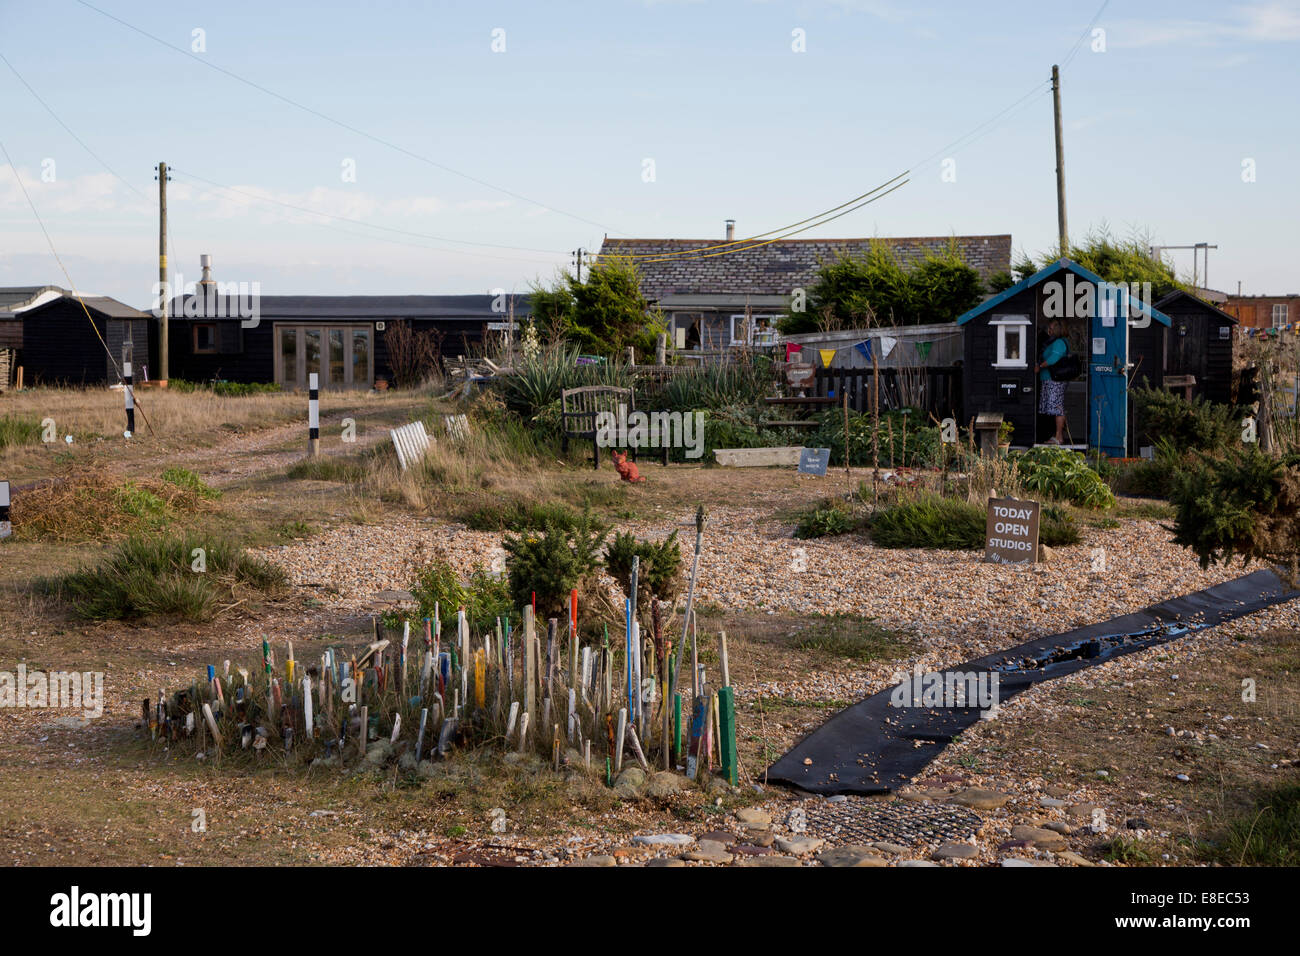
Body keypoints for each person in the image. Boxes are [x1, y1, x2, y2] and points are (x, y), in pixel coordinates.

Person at [1037, 320, 1069, 445]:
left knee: (1057, 408)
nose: (1048, 330)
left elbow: (1053, 359)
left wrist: (1039, 366)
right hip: (1049, 379)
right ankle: (1056, 435)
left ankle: (1059, 437)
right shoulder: (1055, 342)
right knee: (1054, 407)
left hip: (1055, 380)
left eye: (1050, 328)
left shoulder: (1059, 342)